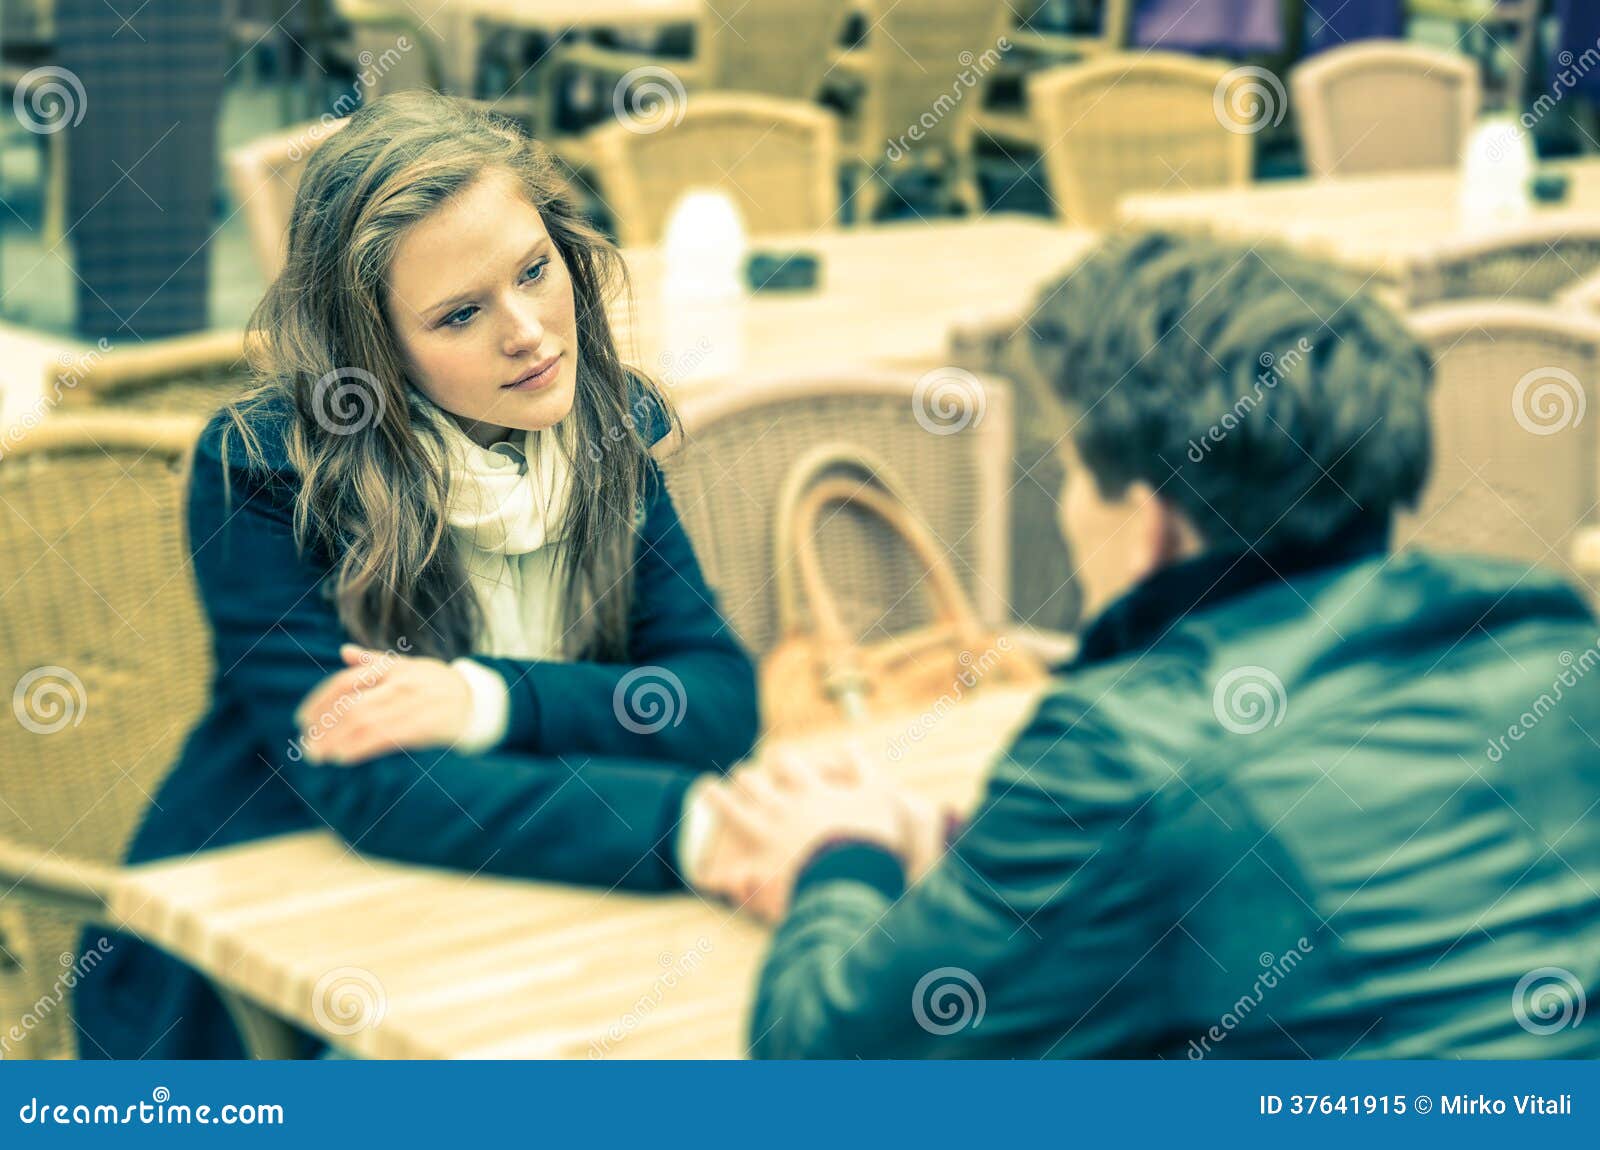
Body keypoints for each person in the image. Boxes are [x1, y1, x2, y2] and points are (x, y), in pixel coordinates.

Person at [701, 232, 1600, 1058]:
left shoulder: (1119, 752)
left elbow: (821, 1063)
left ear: (1149, 527)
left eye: (1075, 481)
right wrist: (954, 842)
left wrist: (838, 857)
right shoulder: (1544, 634)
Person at [74, 91, 759, 1058]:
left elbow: (718, 699)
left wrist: (479, 703)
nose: (526, 330)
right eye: (460, 314)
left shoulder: (609, 431)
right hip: (261, 982)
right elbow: (376, 790)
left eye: (534, 270)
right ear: (377, 354)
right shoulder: (266, 474)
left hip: (530, 915)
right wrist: (687, 829)